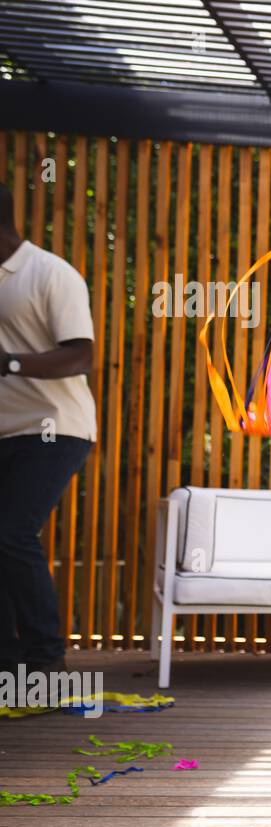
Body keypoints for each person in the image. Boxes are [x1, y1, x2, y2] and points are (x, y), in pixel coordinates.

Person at [0, 182, 96, 677]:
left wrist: (10, 365)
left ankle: (46, 661)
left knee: (12, 531)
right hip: (4, 431)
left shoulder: (49, 274)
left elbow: (82, 354)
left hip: (55, 428)